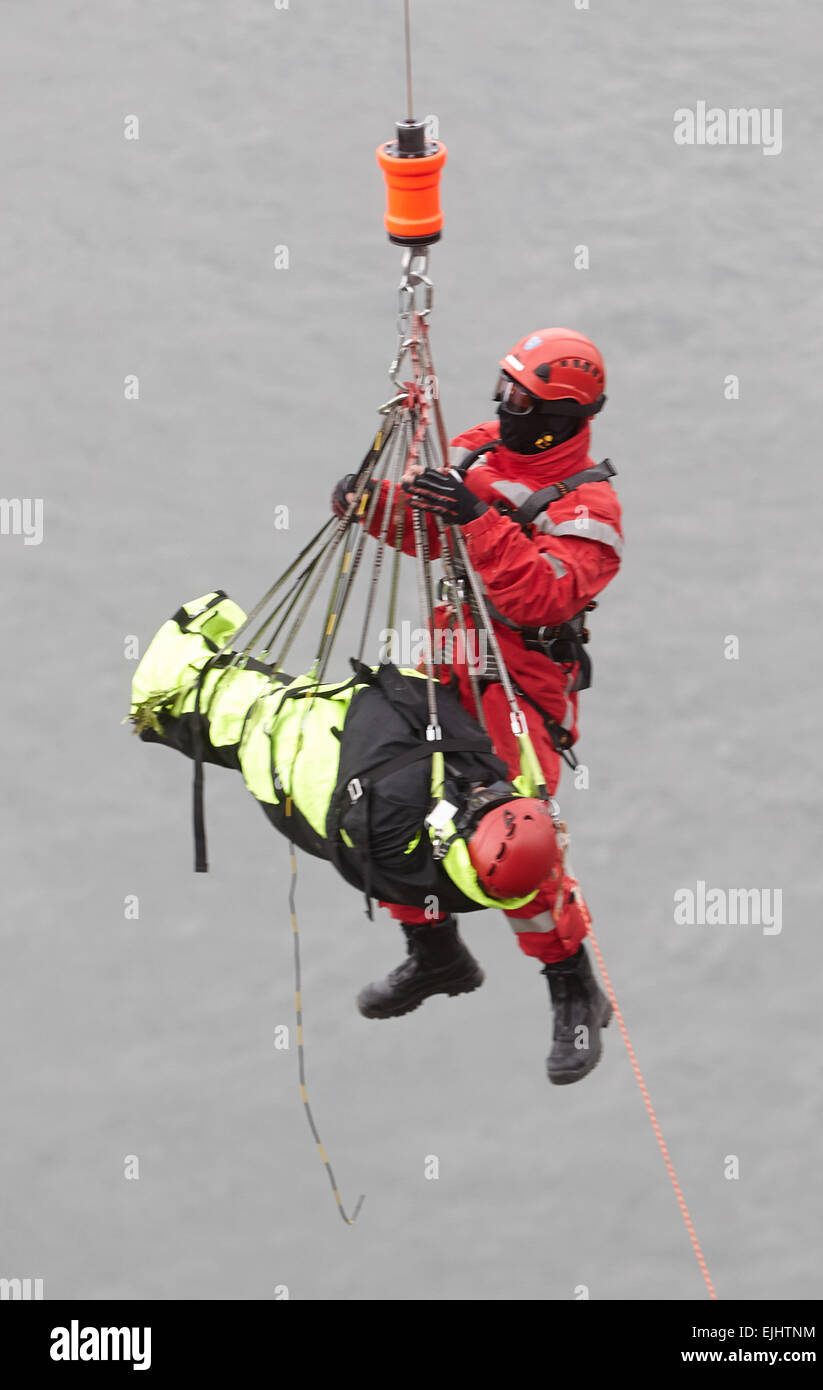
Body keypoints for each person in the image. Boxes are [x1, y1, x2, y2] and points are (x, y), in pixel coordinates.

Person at [332, 328, 623, 1084]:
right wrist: (374, 507)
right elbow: (430, 533)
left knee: (515, 842)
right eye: (503, 387)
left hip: (520, 689)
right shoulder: (475, 452)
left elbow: (542, 593)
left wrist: (476, 517)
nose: (504, 405)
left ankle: (573, 987)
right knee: (387, 797)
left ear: (561, 415)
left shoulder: (590, 508)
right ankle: (434, 955)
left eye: (521, 399)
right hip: (450, 665)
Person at [129, 591, 561, 981]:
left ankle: (463, 961)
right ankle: (444, 958)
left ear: (465, 833)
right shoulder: (477, 869)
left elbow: (384, 695)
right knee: (243, 716)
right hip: (300, 794)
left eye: (484, 801)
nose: (488, 791)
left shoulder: (409, 809)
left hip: (296, 761)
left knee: (238, 712)